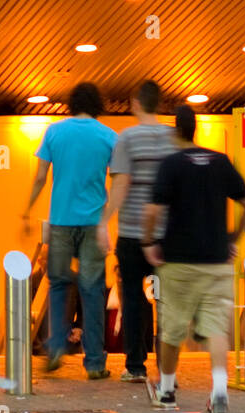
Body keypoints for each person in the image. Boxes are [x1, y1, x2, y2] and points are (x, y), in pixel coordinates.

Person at [141, 105, 245, 413]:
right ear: (196, 129)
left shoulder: (171, 164)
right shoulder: (220, 161)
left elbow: (152, 211)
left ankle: (166, 390)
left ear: (176, 131)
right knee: (216, 328)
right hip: (217, 260)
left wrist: (150, 243)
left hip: (178, 261)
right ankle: (219, 392)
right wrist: (233, 239)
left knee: (173, 327)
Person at [21, 82, 117, 379]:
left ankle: (56, 348)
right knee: (91, 290)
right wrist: (106, 220)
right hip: (91, 224)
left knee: (59, 284)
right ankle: (95, 363)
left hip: (60, 222)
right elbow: (117, 183)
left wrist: (26, 210)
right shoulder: (108, 136)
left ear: (71, 103)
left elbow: (39, 177)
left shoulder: (54, 132)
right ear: (98, 104)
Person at [97, 80, 176, 382]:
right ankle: (167, 370)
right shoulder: (173, 137)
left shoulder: (126, 138)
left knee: (132, 297)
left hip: (132, 232)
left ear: (135, 103)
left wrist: (104, 220)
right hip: (165, 233)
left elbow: (120, 183)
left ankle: (135, 366)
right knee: (166, 300)